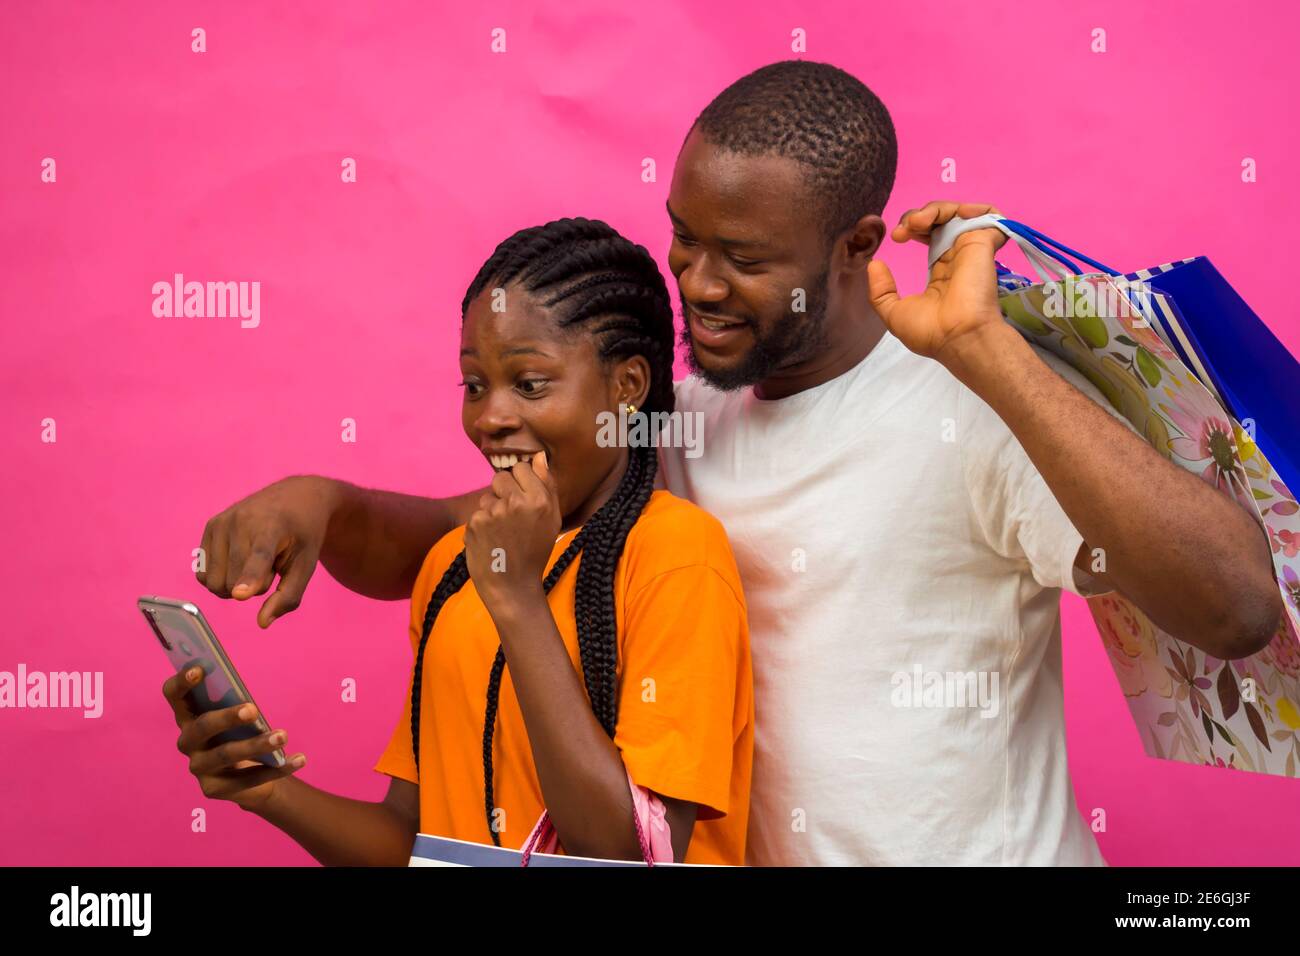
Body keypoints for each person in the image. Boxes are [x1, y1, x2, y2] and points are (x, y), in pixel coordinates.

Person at [195, 61, 1282, 865]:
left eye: (745, 258)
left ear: (857, 247)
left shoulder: (974, 408)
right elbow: (471, 539)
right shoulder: (683, 416)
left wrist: (989, 350)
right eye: (684, 239)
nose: (699, 284)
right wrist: (325, 502)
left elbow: (1235, 607)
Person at [163, 219, 754, 866]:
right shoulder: (452, 567)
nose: (491, 418)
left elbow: (620, 850)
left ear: (628, 388)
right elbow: (411, 843)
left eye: (530, 385)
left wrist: (518, 600)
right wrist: (269, 789)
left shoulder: (677, 557)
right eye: (474, 386)